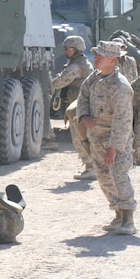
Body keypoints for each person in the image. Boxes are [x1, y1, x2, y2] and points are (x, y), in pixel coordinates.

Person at [76, 40, 137, 235]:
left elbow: (124, 121)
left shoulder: (121, 86)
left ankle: (128, 219)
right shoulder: (94, 78)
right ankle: (117, 214)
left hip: (116, 141)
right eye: (96, 55)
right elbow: (82, 96)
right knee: (104, 178)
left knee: (119, 176)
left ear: (113, 59)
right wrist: (84, 116)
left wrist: (114, 148)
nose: (97, 58)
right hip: (97, 138)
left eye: (101, 56)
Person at [55, 36, 96, 179]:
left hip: (78, 107)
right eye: (65, 48)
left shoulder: (76, 66)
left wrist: (51, 82)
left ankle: (91, 167)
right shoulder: (83, 62)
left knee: (79, 138)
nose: (66, 51)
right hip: (81, 105)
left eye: (69, 49)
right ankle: (91, 166)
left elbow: (60, 82)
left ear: (77, 49)